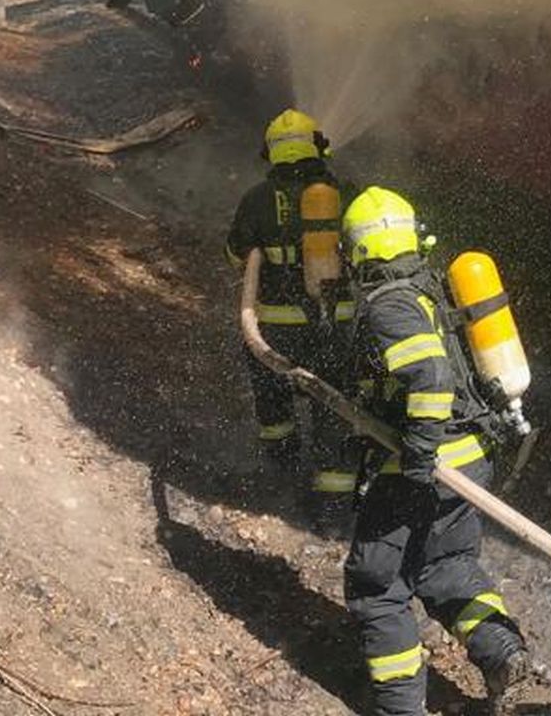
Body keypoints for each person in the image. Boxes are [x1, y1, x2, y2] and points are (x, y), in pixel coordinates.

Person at [339, 186, 531, 716]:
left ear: (355, 250)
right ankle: (501, 652)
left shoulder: (391, 305)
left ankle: (400, 707)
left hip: (426, 463)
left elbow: (431, 373)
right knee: (445, 564)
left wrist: (420, 454)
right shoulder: (433, 288)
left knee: (376, 586)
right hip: (471, 455)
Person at [225, 108, 356, 511]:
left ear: (271, 153)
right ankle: (335, 499)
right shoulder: (345, 193)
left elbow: (235, 256)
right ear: (318, 147)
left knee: (273, 401)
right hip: (336, 325)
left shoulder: (257, 199)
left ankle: (282, 477)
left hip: (273, 332)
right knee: (334, 403)